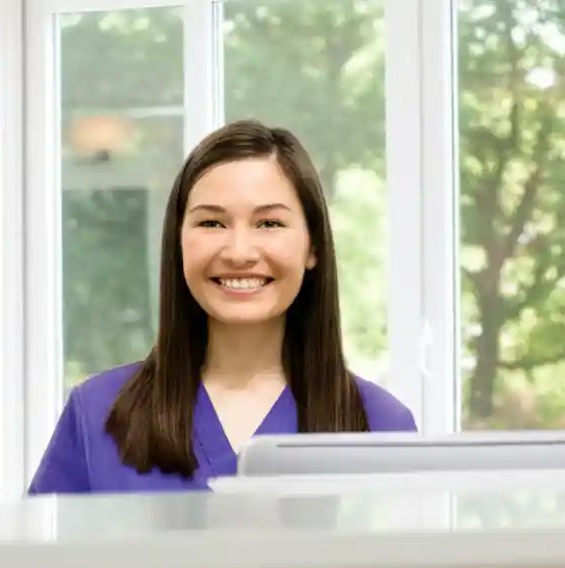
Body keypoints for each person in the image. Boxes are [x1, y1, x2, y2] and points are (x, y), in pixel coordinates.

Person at [29, 120, 416, 495]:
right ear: (178, 242)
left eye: (269, 223)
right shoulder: (96, 414)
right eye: (212, 223)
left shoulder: (381, 426)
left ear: (312, 247)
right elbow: (39, 561)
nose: (239, 252)